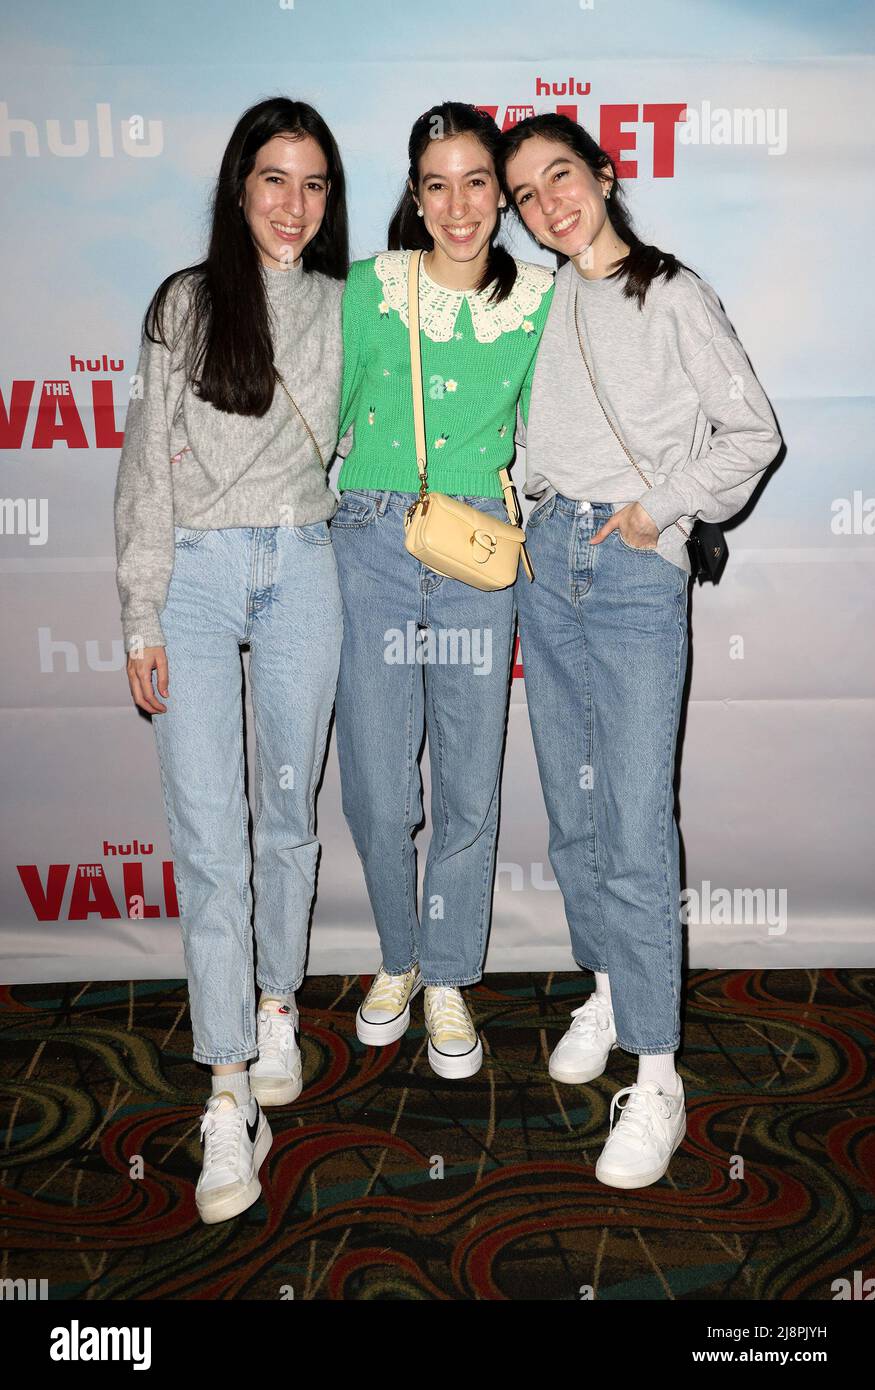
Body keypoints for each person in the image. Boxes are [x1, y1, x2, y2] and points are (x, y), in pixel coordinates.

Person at [500, 113, 780, 1188]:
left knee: (629, 815)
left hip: (628, 564)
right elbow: (532, 425)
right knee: (573, 812)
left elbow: (751, 432)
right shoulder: (543, 301)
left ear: (606, 175)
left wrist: (655, 510)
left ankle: (657, 1071)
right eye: (525, 194)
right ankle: (611, 985)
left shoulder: (671, 294)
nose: (545, 205)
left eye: (558, 178)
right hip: (546, 560)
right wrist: (524, 504)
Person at [114, 97, 348, 1223]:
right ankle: (223, 1091)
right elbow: (146, 473)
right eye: (273, 179)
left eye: (313, 184)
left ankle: (274, 1006)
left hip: (307, 564)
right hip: (199, 575)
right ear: (237, 185)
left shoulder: (352, 311)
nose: (293, 205)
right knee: (210, 834)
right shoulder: (186, 302)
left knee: (290, 810)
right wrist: (139, 615)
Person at [332, 101, 554, 1078]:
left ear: (498, 199)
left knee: (468, 775)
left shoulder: (542, 297)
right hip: (372, 537)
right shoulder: (364, 290)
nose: (459, 204)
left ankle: (448, 974)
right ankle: (397, 956)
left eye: (477, 182)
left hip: (478, 543)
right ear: (414, 198)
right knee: (380, 786)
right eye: (438, 183)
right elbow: (312, 420)